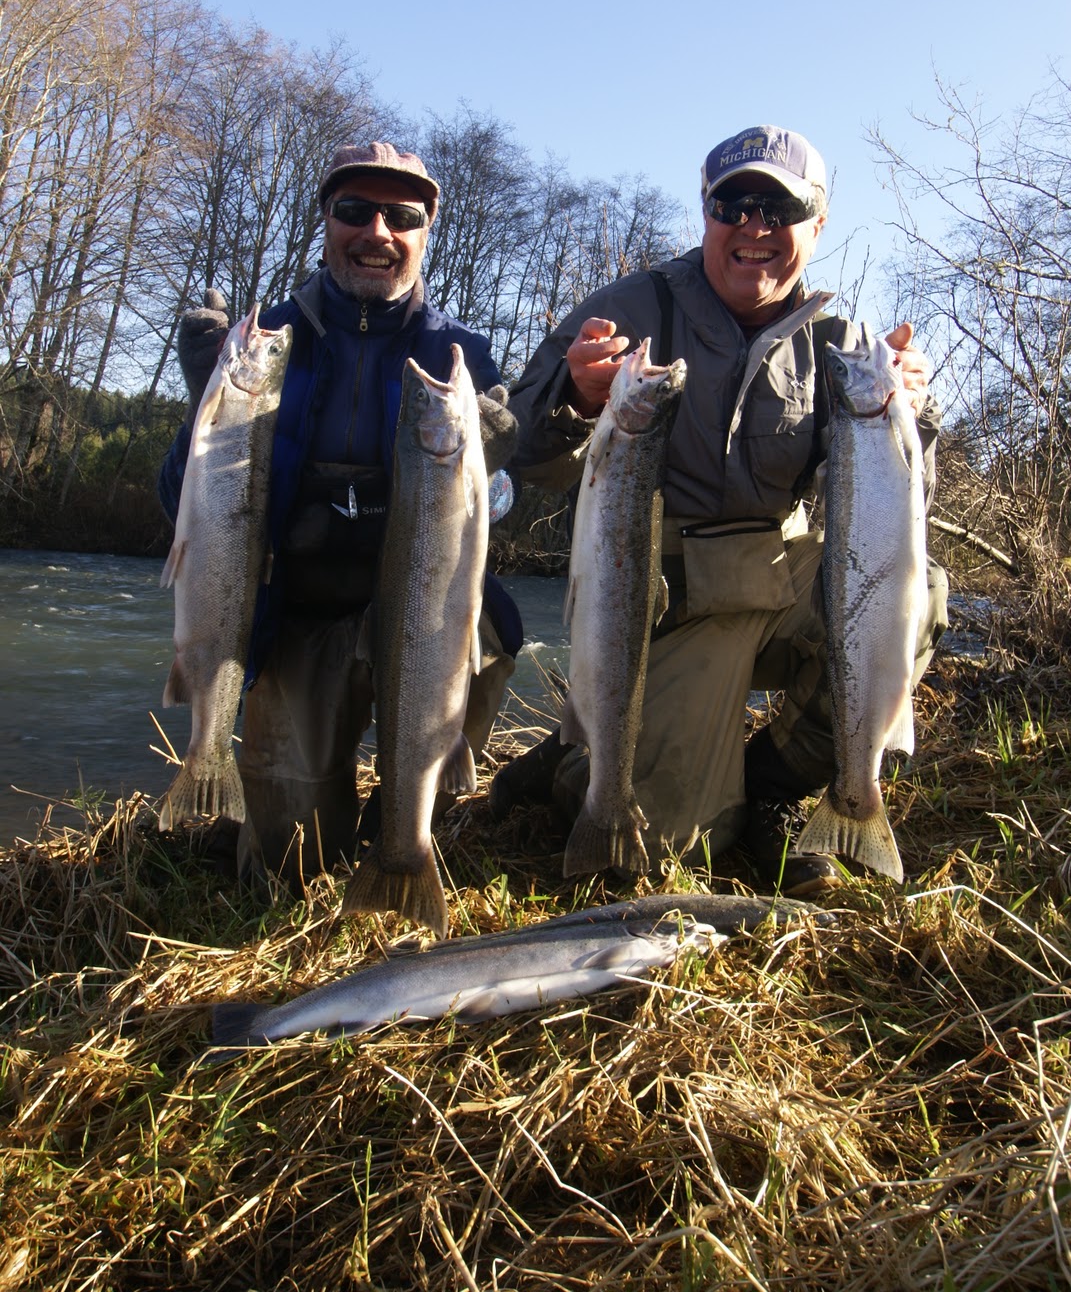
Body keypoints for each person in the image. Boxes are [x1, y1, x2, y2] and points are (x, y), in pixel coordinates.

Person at [496, 124, 947, 897]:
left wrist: (912, 420)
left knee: (920, 592)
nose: (754, 228)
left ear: (819, 221)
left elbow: (891, 517)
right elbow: (529, 456)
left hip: (780, 582)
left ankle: (774, 783)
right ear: (705, 212)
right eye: (732, 204)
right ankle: (573, 757)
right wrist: (573, 397)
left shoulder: (843, 341)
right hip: (662, 600)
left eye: (780, 209)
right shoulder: (627, 308)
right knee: (669, 846)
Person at [159, 142, 521, 890]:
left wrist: (495, 462)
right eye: (354, 210)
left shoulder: (461, 358)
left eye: (402, 216)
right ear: (325, 220)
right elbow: (181, 509)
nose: (377, 232)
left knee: (492, 620)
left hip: (419, 617)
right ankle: (284, 800)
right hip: (299, 618)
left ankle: (410, 798)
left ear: (426, 232)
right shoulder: (267, 344)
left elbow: (501, 516)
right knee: (293, 869)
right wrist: (207, 407)